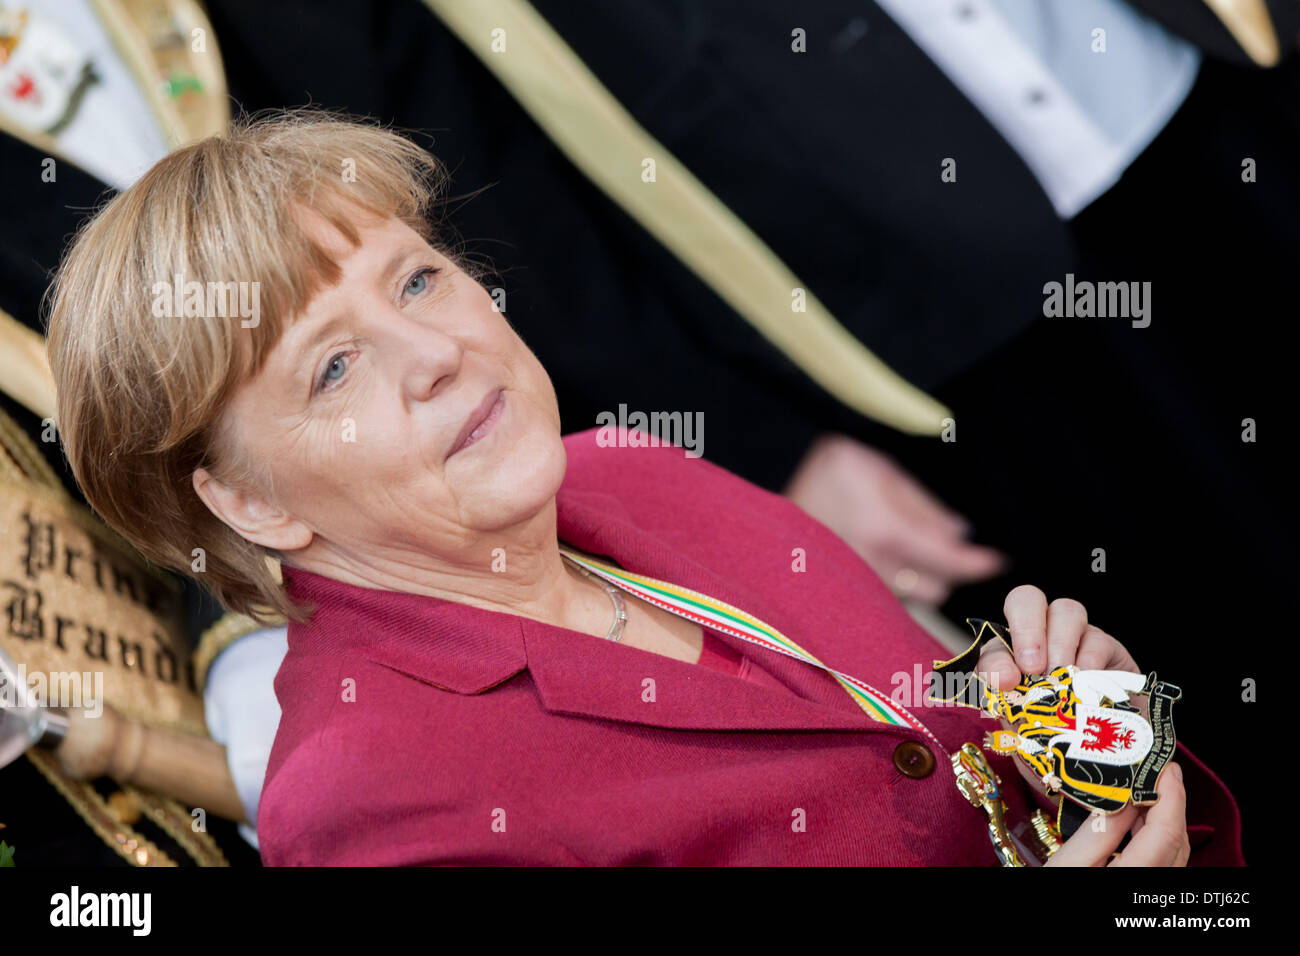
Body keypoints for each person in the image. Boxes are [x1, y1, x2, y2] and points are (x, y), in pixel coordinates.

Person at [44, 112, 1239, 865]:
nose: (437, 351)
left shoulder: (631, 471)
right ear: (251, 505)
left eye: (414, 280)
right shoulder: (375, 812)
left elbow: (938, 774)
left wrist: (1097, 739)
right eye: (335, 366)